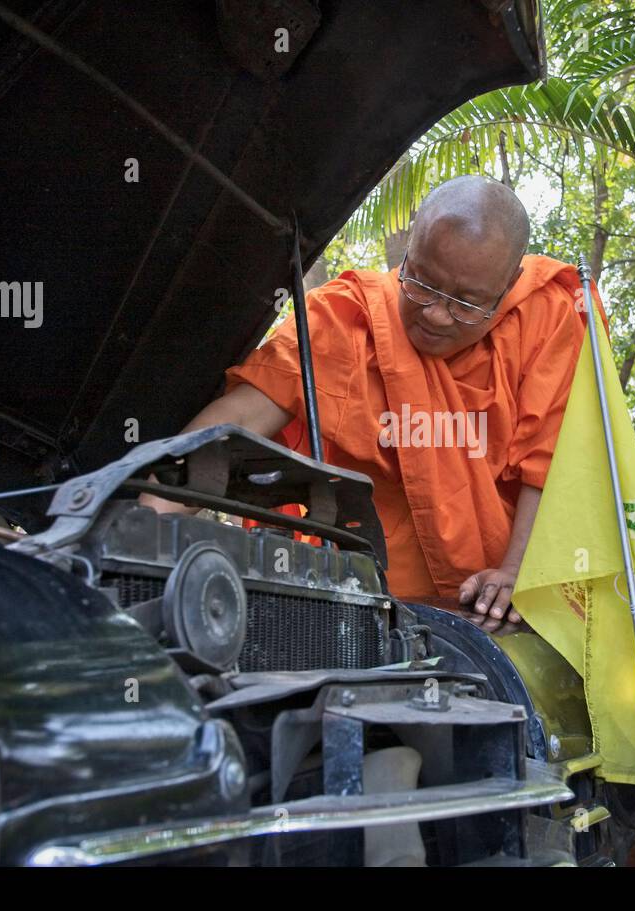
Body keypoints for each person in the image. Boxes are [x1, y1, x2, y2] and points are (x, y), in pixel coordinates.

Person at [141, 175, 598, 630]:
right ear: (411, 247)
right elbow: (237, 421)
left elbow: (551, 460)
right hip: (365, 610)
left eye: (466, 303)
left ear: (509, 283)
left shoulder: (549, 315)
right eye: (421, 284)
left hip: (500, 606)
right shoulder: (346, 321)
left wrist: (519, 571)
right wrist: (145, 524)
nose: (437, 315)